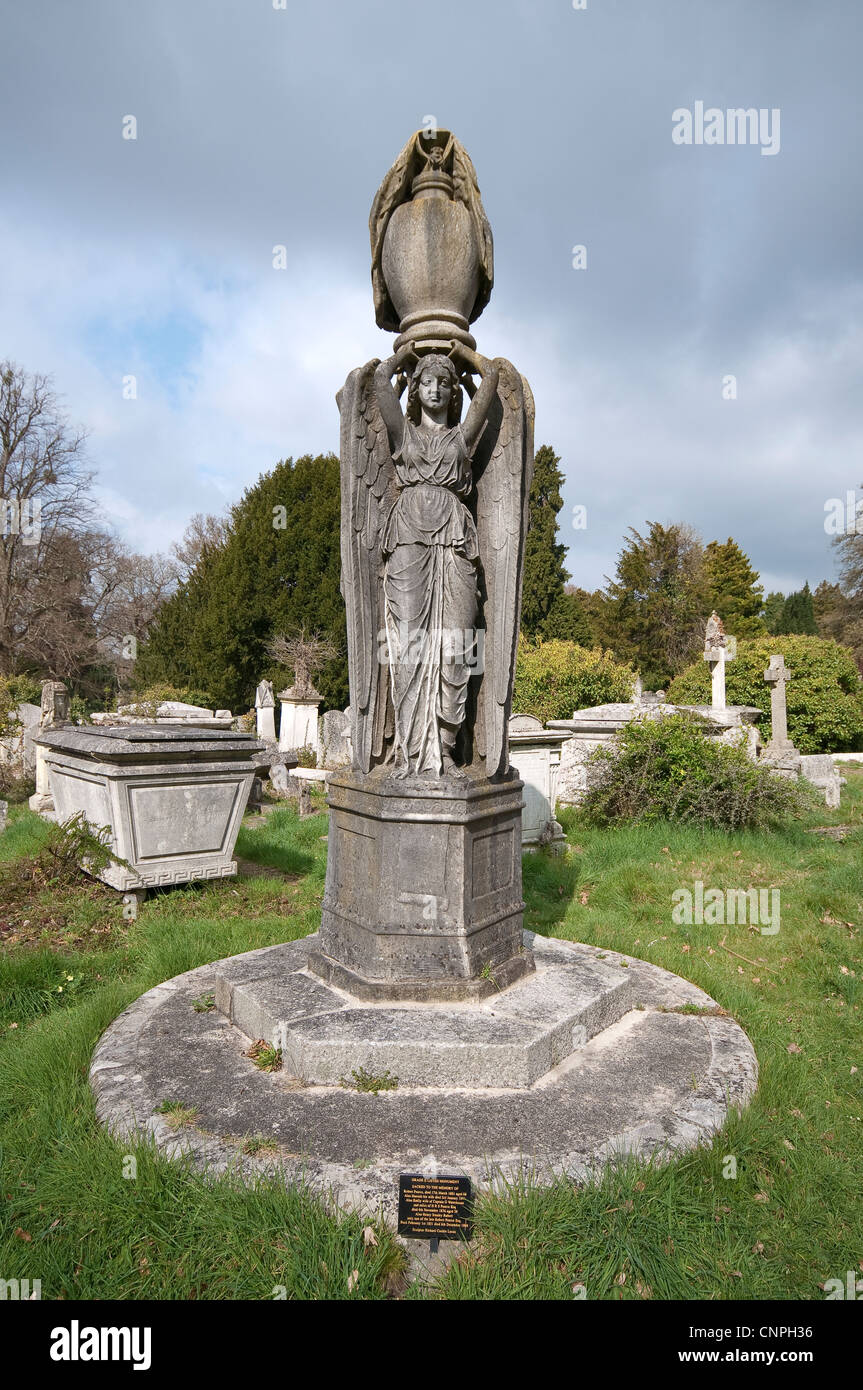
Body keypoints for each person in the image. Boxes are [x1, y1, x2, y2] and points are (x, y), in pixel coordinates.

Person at [373, 342, 499, 777]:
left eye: (445, 382)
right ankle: (411, 751)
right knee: (408, 648)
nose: (436, 388)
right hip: (409, 537)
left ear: (453, 392)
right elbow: (378, 385)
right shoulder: (403, 436)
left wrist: (470, 358)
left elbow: (492, 383)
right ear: (414, 388)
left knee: (457, 647)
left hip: (456, 539)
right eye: (427, 381)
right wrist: (403, 356)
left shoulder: (460, 439)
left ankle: (445, 749)